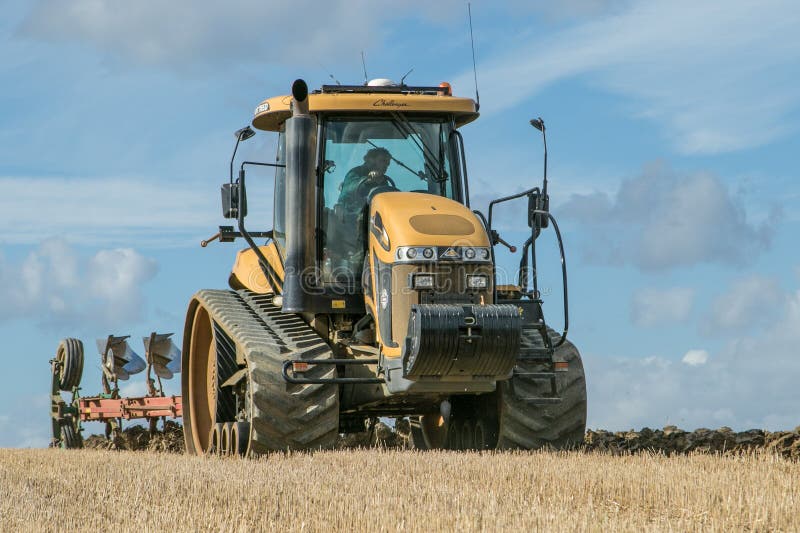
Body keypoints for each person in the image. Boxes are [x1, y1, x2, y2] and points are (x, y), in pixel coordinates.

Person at [336, 147, 395, 214]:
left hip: (373, 215)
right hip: (350, 214)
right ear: (371, 159)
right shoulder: (356, 172)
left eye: (387, 164)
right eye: (383, 161)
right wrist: (368, 180)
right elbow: (349, 189)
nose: (385, 165)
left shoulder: (383, 181)